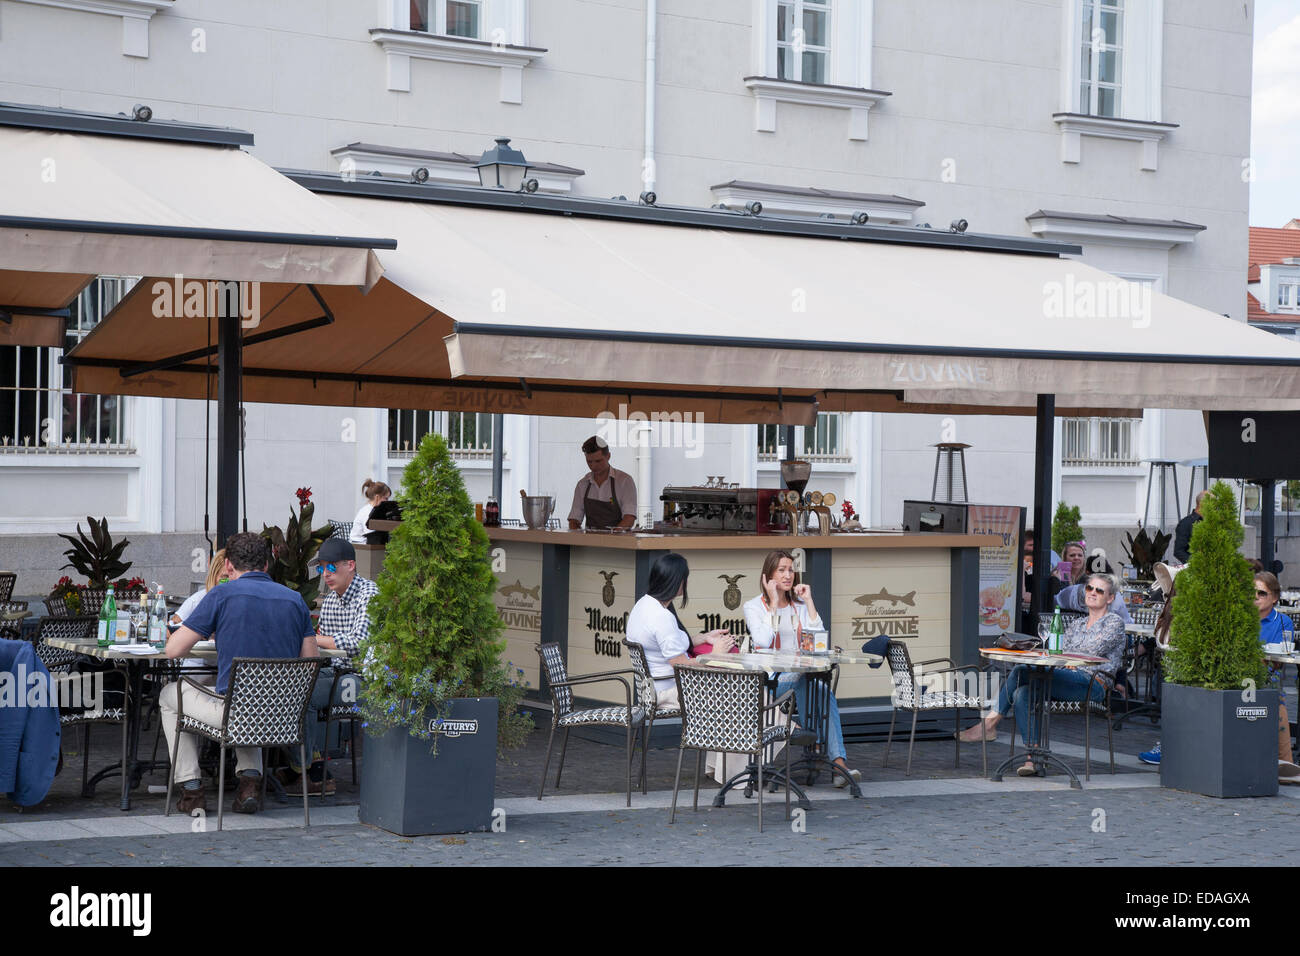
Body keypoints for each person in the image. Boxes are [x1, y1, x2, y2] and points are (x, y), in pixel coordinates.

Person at [161, 532, 318, 815]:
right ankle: (249, 782)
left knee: (170, 694)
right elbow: (310, 662)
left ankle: (191, 789)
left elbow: (174, 651)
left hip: (235, 716)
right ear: (267, 565)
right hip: (285, 716)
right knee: (249, 696)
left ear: (229, 566)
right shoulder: (295, 600)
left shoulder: (221, 594)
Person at [960, 572, 1126, 776]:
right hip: (1066, 679)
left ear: (1110, 598)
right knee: (1023, 694)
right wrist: (1068, 661)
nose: (1092, 593)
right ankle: (1033, 759)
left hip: (1093, 684)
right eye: (1089, 588)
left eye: (1099, 590)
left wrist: (1069, 660)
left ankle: (989, 723)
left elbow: (1091, 651)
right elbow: (1064, 651)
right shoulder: (1077, 624)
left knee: (1021, 670)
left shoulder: (1114, 623)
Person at [742, 550, 861, 788]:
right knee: (809, 681)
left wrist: (808, 600)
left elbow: (818, 640)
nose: (788, 575)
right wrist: (774, 603)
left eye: (791, 569)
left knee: (819, 688)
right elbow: (763, 641)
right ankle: (818, 750)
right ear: (768, 575)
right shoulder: (754, 606)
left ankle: (838, 763)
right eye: (782, 570)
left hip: (800, 679)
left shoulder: (799, 605)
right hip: (771, 682)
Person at [283, 538, 379, 796]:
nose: (325, 574)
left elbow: (358, 644)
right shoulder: (331, 599)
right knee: (287, 683)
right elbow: (323, 641)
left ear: (350, 565)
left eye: (331, 568)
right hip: (337, 671)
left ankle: (311, 772)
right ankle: (304, 765)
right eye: (321, 569)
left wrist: (310, 638)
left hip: (365, 678)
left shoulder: (369, 594)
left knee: (306, 693)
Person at [626, 553, 732, 709]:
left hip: (656, 688)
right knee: (744, 693)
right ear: (677, 581)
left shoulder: (644, 604)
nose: (687, 582)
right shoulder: (661, 617)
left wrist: (703, 638)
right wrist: (715, 655)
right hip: (670, 691)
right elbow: (680, 665)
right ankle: (769, 730)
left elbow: (662, 646)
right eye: (685, 578)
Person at [1254, 572, 1300, 783]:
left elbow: (1278, 661)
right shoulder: (1240, 618)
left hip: (1267, 683)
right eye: (1251, 592)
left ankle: (1285, 766)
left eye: (1261, 593)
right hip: (1241, 680)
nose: (1255, 597)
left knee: (1278, 706)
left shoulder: (1283, 622)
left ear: (1274, 597)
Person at [567, 436, 637, 530]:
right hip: (589, 542)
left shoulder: (624, 481)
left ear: (608, 456)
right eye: (589, 462)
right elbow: (574, 519)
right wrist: (576, 533)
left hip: (618, 542)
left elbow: (629, 518)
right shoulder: (582, 484)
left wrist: (611, 538)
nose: (593, 466)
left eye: (598, 461)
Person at [1056, 550, 1132, 625]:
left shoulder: (1074, 592)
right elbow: (1126, 622)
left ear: (1087, 573)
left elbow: (1056, 601)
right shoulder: (1115, 597)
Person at [1021, 530, 1063, 606]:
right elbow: (1024, 596)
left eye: (1036, 545)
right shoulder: (1019, 563)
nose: (1034, 548)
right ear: (1022, 547)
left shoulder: (1051, 555)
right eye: (1031, 545)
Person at [349, 479, 392, 544]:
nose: (387, 501)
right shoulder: (367, 512)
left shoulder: (374, 510)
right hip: (360, 547)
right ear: (377, 497)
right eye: (386, 498)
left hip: (367, 544)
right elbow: (371, 535)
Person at [1173, 490, 1208, 564]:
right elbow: (1179, 551)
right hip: (1195, 570)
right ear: (1203, 504)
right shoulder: (1186, 523)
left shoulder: (1210, 523)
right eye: (1212, 505)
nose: (1214, 509)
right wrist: (1197, 563)